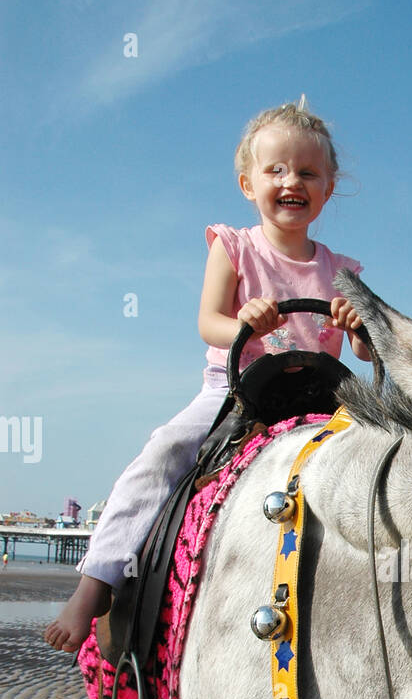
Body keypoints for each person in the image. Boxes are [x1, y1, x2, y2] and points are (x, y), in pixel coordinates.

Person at [45, 99, 367, 654]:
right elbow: (207, 322)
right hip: (239, 390)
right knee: (165, 452)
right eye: (277, 170)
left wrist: (357, 327)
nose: (292, 181)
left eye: (308, 172)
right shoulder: (235, 247)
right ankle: (96, 581)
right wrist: (242, 320)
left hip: (318, 398)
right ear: (248, 183)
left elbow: (364, 348)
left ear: (329, 189)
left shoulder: (340, 271)